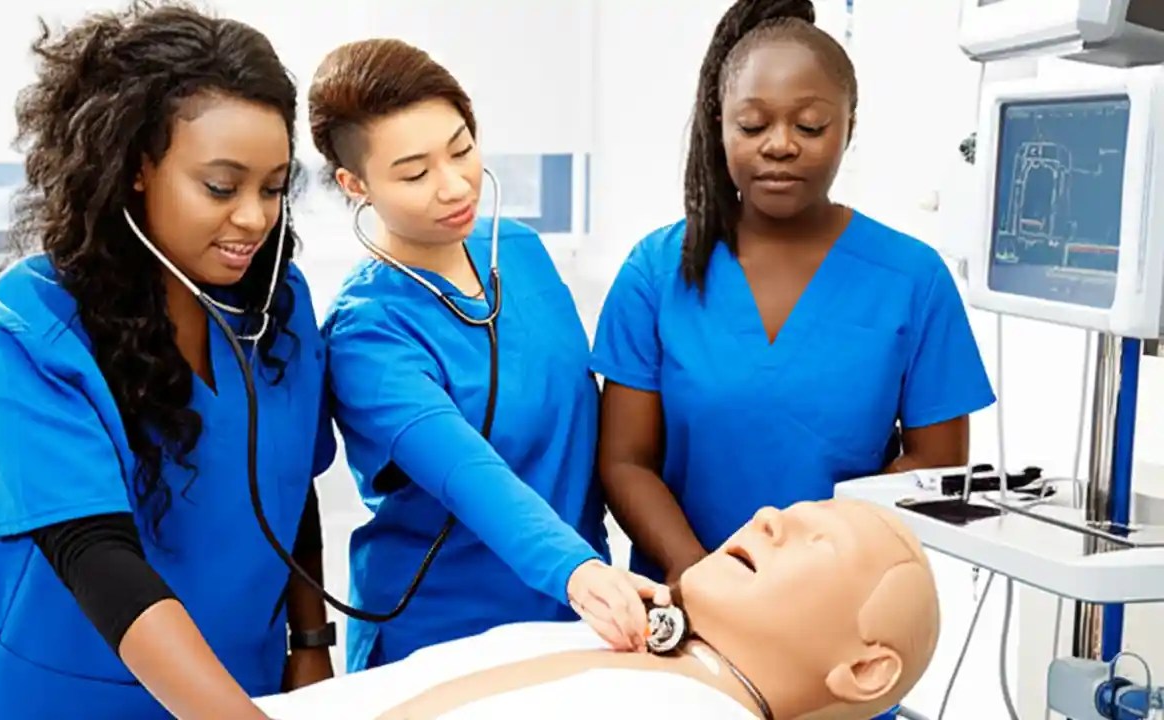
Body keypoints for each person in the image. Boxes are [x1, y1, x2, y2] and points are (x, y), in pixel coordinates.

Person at [0, 5, 335, 718]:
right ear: (137, 167)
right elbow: (98, 560)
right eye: (221, 186)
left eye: (273, 188)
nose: (253, 218)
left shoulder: (277, 304)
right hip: (62, 695)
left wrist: (310, 645)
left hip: (244, 684)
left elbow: (288, 482)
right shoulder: (32, 328)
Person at [591, 0, 996, 589]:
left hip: (842, 603)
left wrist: (811, 575)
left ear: (849, 127)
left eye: (809, 125)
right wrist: (699, 574)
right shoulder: (656, 272)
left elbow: (934, 464)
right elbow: (625, 462)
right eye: (753, 125)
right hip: (685, 603)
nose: (780, 145)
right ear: (721, 124)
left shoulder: (912, 279)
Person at [305, 38, 665, 674]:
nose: (453, 186)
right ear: (354, 184)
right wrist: (578, 570)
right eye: (415, 173)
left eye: (462, 150)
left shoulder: (520, 250)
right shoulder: (366, 334)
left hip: (577, 617)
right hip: (444, 635)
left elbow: (583, 425)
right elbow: (468, 473)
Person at [252, 498, 941, 720]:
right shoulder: (609, 641)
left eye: (815, 540)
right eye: (785, 511)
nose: (765, 517)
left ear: (866, 671)